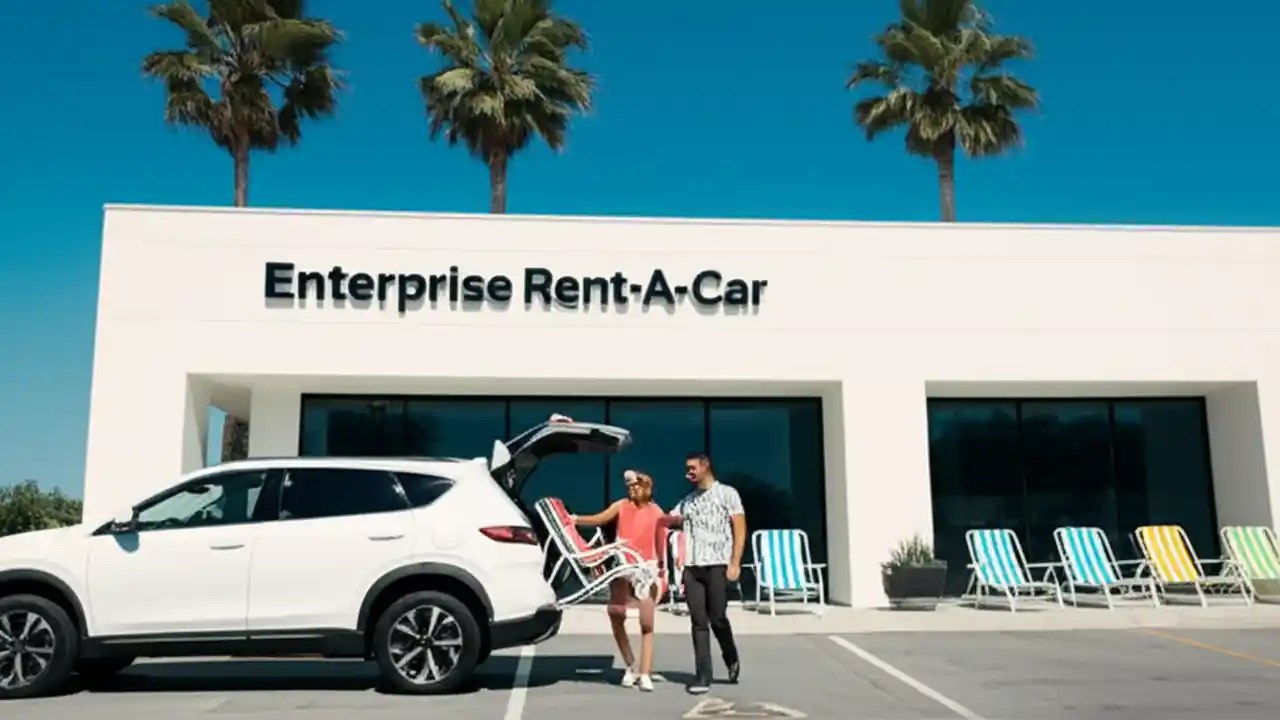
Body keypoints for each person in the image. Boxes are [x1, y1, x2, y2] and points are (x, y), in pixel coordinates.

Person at [656, 451, 745, 695]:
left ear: (705, 466)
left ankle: (731, 656)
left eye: (692, 468)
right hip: (692, 567)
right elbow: (669, 519)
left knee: (718, 617)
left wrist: (735, 562)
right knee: (698, 622)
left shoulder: (728, 493)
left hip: (717, 564)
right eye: (687, 469)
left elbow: (739, 528)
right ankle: (703, 675)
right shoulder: (688, 501)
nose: (688, 473)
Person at [571, 469, 666, 692]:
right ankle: (630, 665)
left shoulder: (656, 511)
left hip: (646, 569)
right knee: (615, 614)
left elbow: (664, 539)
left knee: (647, 622)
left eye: (636, 486)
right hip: (623, 565)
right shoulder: (621, 505)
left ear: (646, 487)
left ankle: (645, 673)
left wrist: (663, 572)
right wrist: (575, 519)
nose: (632, 489)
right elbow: (600, 518)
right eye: (629, 486)